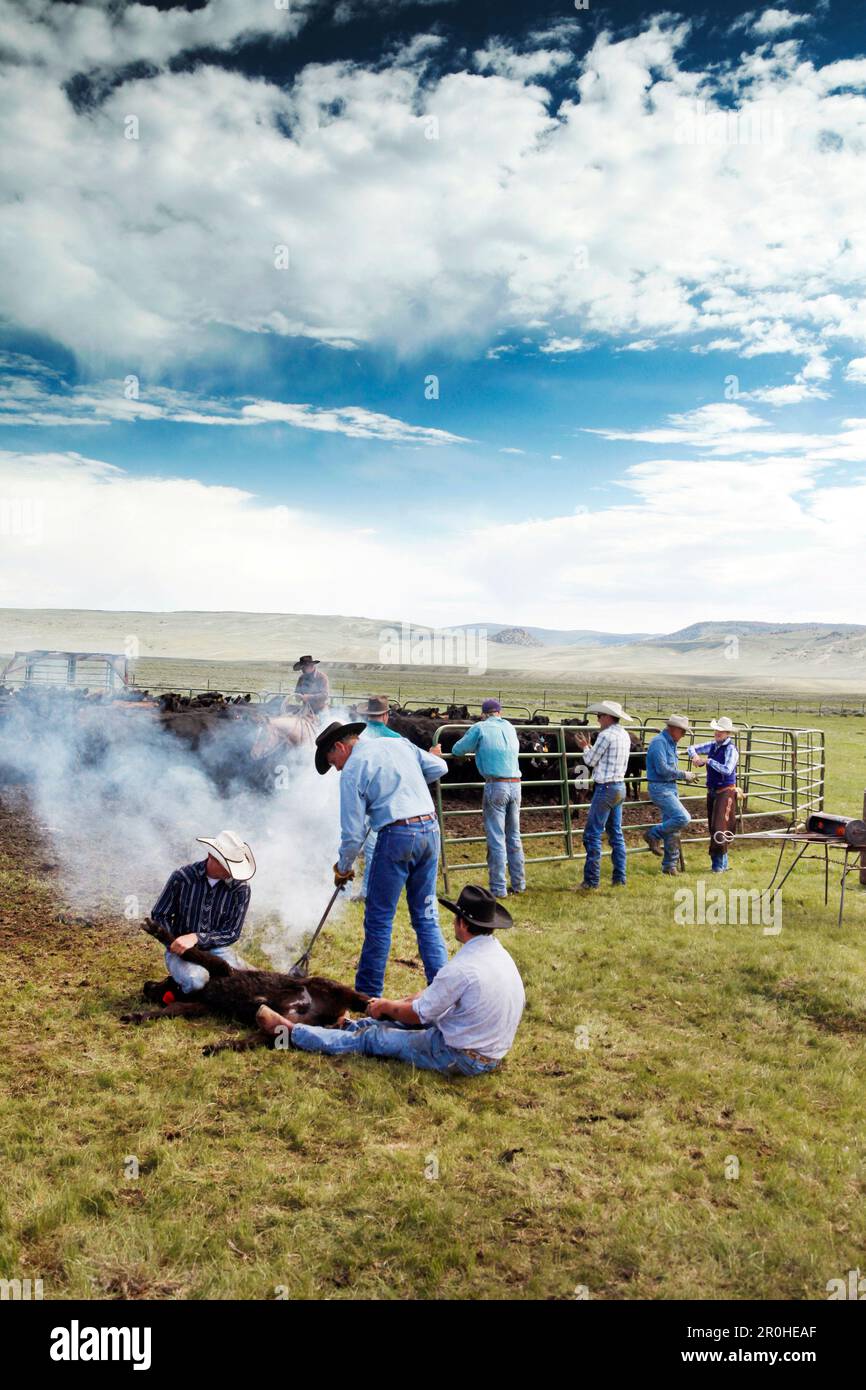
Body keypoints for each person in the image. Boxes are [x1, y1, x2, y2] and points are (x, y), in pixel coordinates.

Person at [258, 885, 525, 1077]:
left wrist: (387, 1006)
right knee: (386, 1021)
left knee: (374, 1038)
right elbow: (435, 997)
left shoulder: (463, 968)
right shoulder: (496, 955)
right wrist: (393, 1005)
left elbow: (418, 1015)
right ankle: (346, 1027)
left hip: (462, 1056)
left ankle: (290, 1033)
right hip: (485, 1047)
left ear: (463, 924)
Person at [314, 719, 449, 996]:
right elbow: (439, 767)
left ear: (340, 747)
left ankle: (367, 996)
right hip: (430, 830)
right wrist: (404, 781)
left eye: (333, 761)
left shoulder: (352, 770)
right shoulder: (397, 743)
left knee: (379, 919)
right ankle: (442, 991)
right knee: (425, 916)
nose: (336, 767)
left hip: (397, 836)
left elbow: (352, 834)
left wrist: (343, 867)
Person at [150, 830, 255, 993]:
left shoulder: (240, 888)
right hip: (180, 950)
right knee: (197, 980)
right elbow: (159, 915)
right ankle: (171, 987)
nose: (232, 873)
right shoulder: (182, 877)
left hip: (217, 949)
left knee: (251, 981)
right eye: (228, 866)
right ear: (211, 857)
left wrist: (196, 937)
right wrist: (173, 943)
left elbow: (232, 932)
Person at [451, 698, 526, 899]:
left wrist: (475, 751)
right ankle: (519, 884)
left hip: (497, 785)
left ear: (484, 713)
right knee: (514, 835)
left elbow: (458, 749)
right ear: (499, 712)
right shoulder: (510, 727)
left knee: (496, 837)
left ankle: (498, 888)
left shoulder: (480, 727)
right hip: (516, 784)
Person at [574, 700, 634, 890]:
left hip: (606, 788)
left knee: (592, 834)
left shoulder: (605, 735)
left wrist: (585, 747)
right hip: (619, 787)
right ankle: (619, 878)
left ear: (608, 717)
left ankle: (591, 882)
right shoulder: (624, 734)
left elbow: (590, 761)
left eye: (599, 716)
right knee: (615, 833)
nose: (598, 719)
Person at [352, 696, 402, 903]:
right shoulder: (396, 738)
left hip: (357, 796)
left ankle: (344, 887)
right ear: (385, 715)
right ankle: (366, 890)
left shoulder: (357, 736)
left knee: (351, 841)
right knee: (373, 846)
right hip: (382, 799)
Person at [643, 715, 698, 875]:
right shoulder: (659, 742)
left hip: (669, 787)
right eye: (683, 732)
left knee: (673, 825)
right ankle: (652, 834)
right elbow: (662, 769)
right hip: (660, 788)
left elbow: (667, 770)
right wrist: (684, 774)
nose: (683, 736)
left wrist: (682, 776)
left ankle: (670, 865)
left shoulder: (670, 743)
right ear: (674, 729)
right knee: (682, 818)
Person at [687, 717, 739, 873]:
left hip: (726, 791)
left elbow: (727, 769)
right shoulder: (713, 745)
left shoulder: (731, 749)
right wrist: (695, 757)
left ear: (727, 733)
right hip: (713, 791)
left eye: (721, 731)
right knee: (715, 826)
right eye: (716, 730)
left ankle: (718, 866)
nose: (717, 733)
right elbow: (692, 748)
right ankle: (722, 863)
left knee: (719, 827)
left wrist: (709, 761)